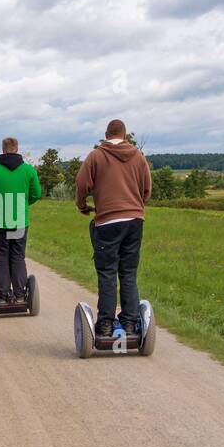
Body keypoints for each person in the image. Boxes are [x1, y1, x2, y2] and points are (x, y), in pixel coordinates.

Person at [74, 119, 152, 339]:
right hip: (135, 220)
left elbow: (82, 184)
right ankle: (129, 323)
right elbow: (147, 188)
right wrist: (136, 204)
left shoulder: (96, 156)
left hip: (107, 220)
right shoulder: (138, 156)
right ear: (125, 135)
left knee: (107, 272)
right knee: (128, 272)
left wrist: (82, 206)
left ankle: (106, 324)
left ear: (106, 135)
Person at [0, 137, 42, 307]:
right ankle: (20, 295)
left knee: (1, 257)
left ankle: (3, 295)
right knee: (18, 256)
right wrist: (22, 204)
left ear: (3, 149)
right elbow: (36, 194)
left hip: (1, 220)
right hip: (20, 220)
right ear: (17, 148)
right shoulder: (28, 170)